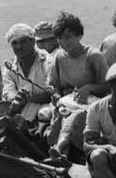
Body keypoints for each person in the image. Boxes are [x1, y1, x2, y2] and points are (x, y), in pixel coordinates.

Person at [46, 12, 108, 162]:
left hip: (91, 106)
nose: (63, 42)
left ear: (79, 35)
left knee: (76, 115)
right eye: (60, 38)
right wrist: (55, 95)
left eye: (68, 37)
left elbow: (108, 86)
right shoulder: (59, 57)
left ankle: (60, 149)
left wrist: (88, 88)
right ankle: (60, 159)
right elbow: (54, 86)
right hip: (66, 103)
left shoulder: (93, 56)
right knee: (61, 114)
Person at [2, 22, 55, 133]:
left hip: (46, 107)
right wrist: (17, 98)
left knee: (45, 113)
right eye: (14, 43)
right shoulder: (10, 67)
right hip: (20, 108)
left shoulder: (48, 61)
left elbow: (52, 92)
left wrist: (29, 97)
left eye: (23, 41)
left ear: (33, 41)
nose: (19, 46)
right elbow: (8, 92)